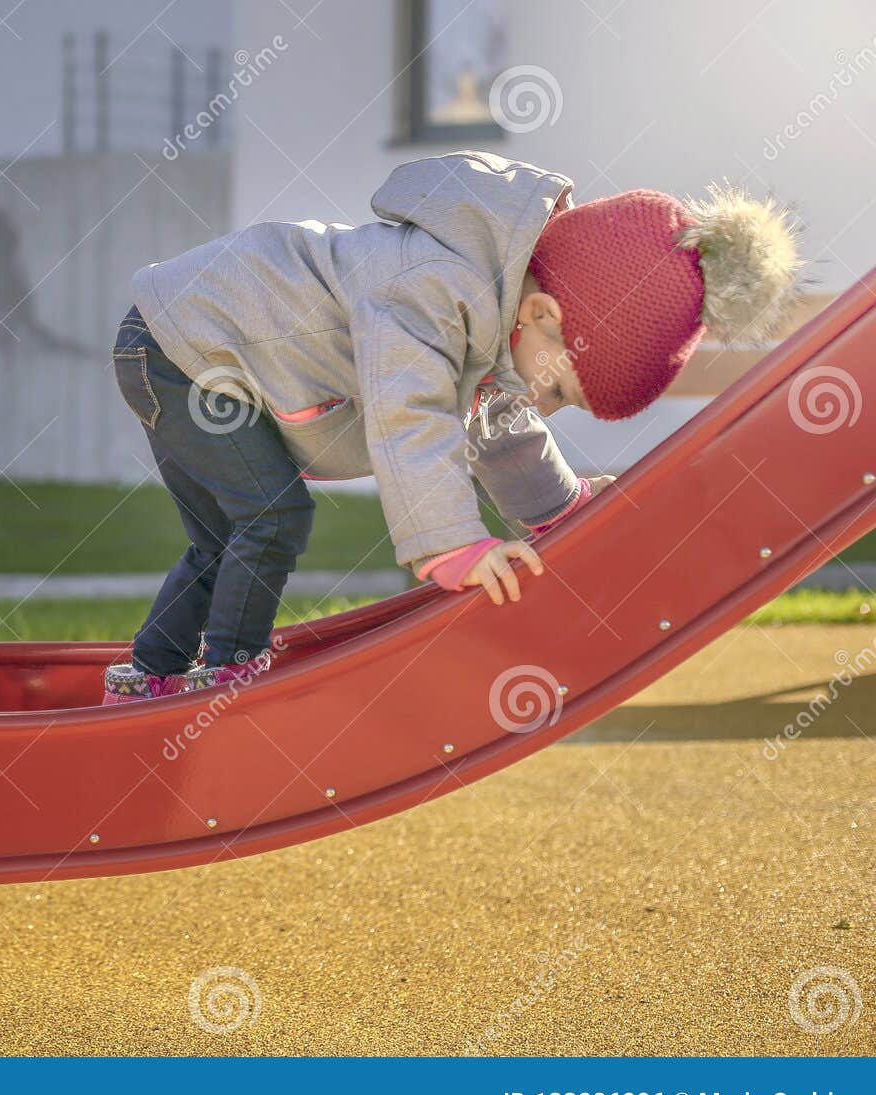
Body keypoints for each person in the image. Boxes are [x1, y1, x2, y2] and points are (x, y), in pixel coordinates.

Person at [104, 150, 803, 703]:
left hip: (187, 348)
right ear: (544, 317)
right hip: (179, 350)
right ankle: (226, 679)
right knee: (272, 516)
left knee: (225, 535)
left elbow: (502, 429)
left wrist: (565, 514)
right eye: (560, 386)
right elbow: (412, 411)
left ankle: (151, 675)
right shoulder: (434, 287)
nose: (547, 404)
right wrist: (454, 546)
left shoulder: (497, 336)